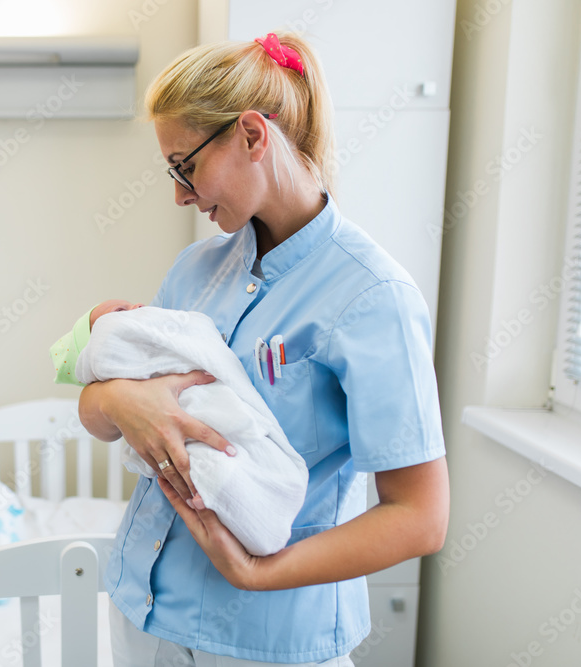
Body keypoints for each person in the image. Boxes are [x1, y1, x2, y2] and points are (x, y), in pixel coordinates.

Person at [76, 32, 450, 665]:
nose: (180, 195)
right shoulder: (196, 270)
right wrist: (117, 397)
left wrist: (259, 574)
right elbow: (101, 413)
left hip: (265, 637)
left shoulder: (373, 295)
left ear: (251, 135)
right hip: (142, 606)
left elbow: (420, 517)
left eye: (184, 166)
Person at [50, 298, 309, 556]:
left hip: (286, 566)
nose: (137, 307)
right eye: (119, 311)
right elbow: (93, 400)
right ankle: (246, 511)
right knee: (213, 468)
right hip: (143, 561)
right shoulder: (117, 335)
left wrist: (255, 576)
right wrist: (115, 397)